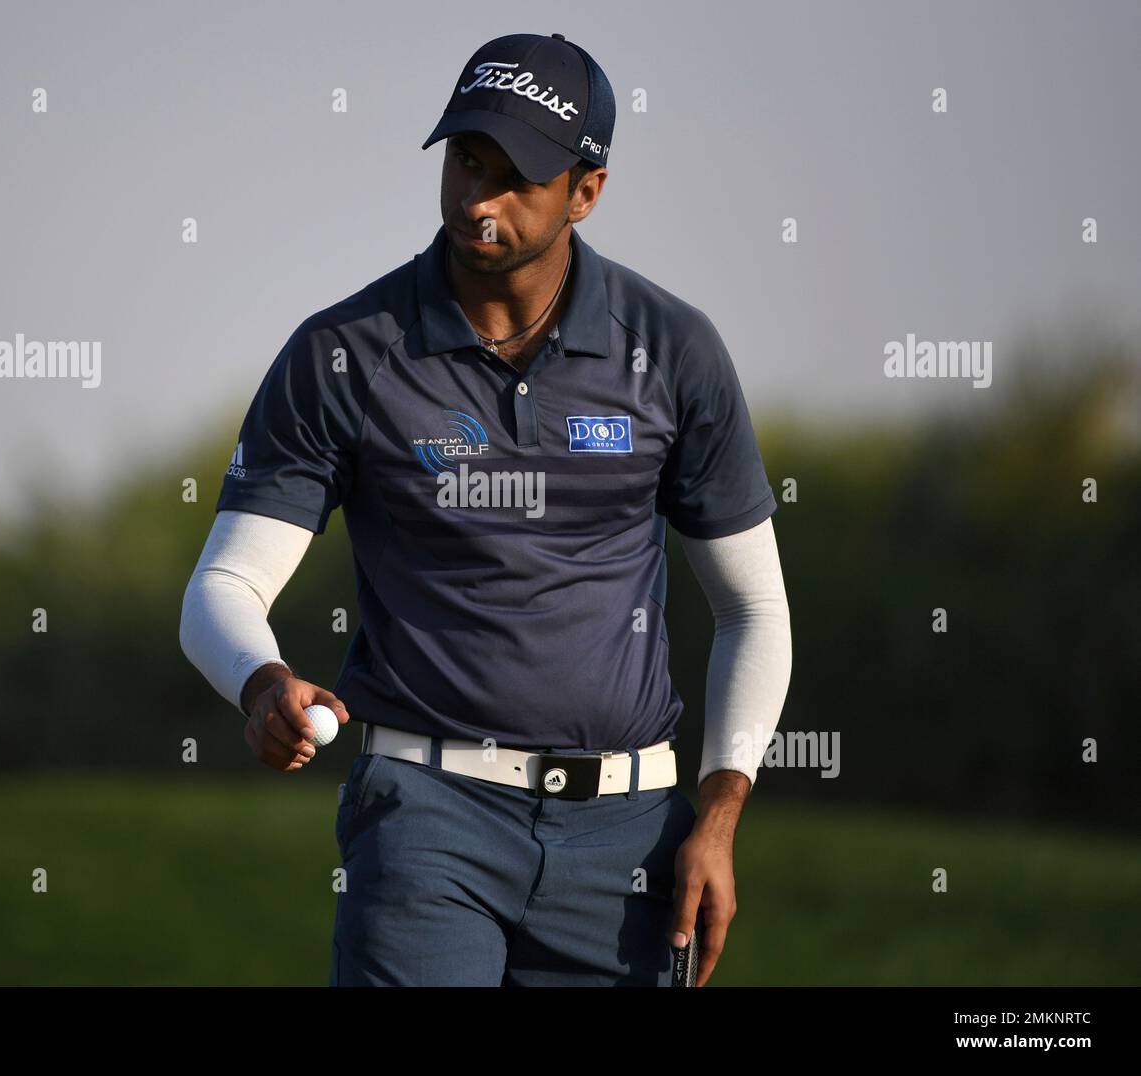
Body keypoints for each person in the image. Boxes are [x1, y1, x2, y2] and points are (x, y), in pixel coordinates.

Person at [180, 32, 791, 986]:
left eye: (515, 177)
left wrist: (717, 818)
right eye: (466, 158)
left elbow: (754, 610)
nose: (477, 198)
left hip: (631, 841)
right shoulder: (342, 352)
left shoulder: (673, 352)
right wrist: (263, 684)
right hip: (425, 822)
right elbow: (222, 585)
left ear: (586, 191)